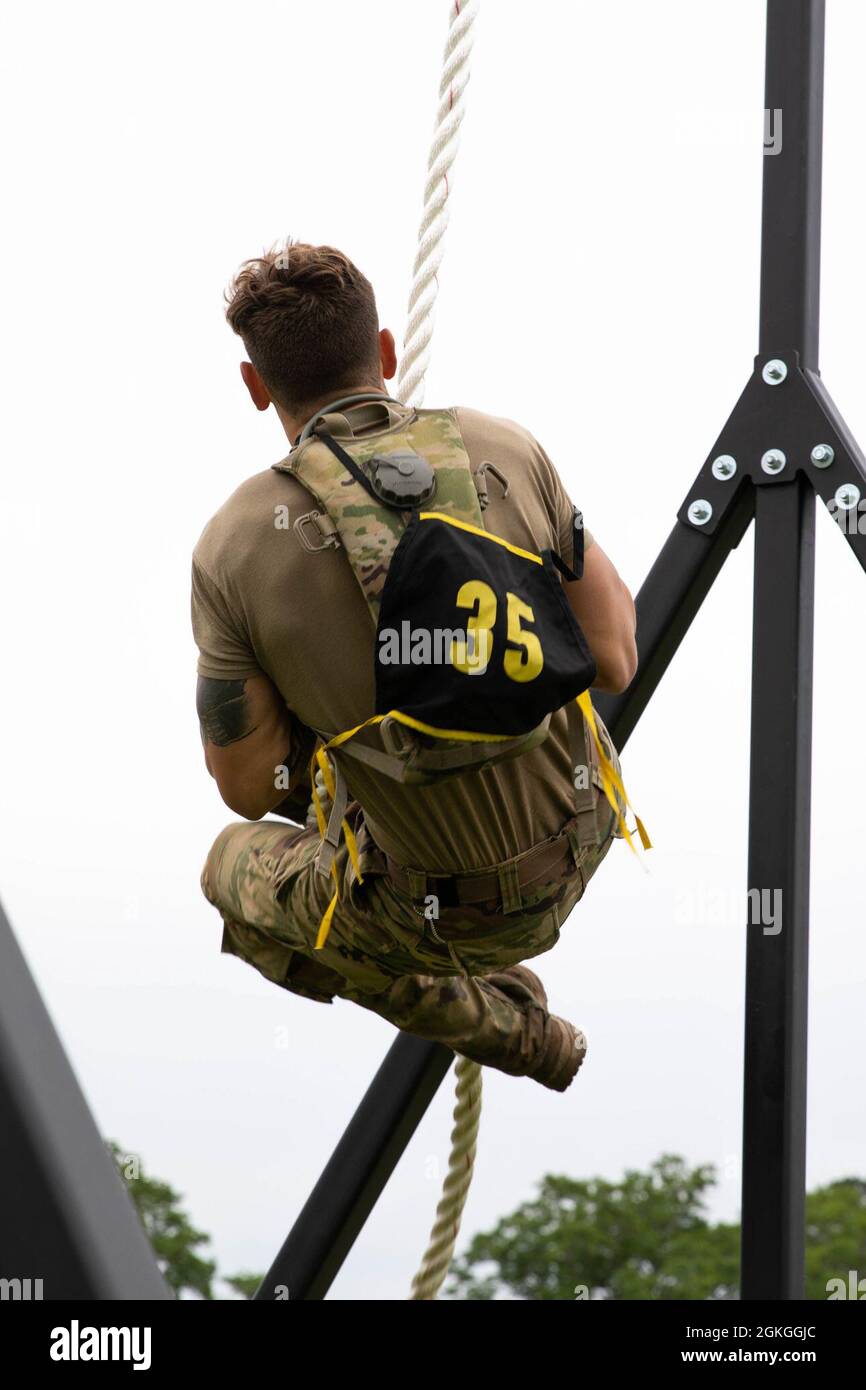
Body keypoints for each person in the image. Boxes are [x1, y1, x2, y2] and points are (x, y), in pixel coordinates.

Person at [192, 241, 638, 1091]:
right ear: (388, 351)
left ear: (256, 388)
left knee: (229, 868)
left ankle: (500, 1026)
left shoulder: (235, 543)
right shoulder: (502, 446)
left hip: (436, 919)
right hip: (584, 836)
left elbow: (250, 788)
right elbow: (615, 655)